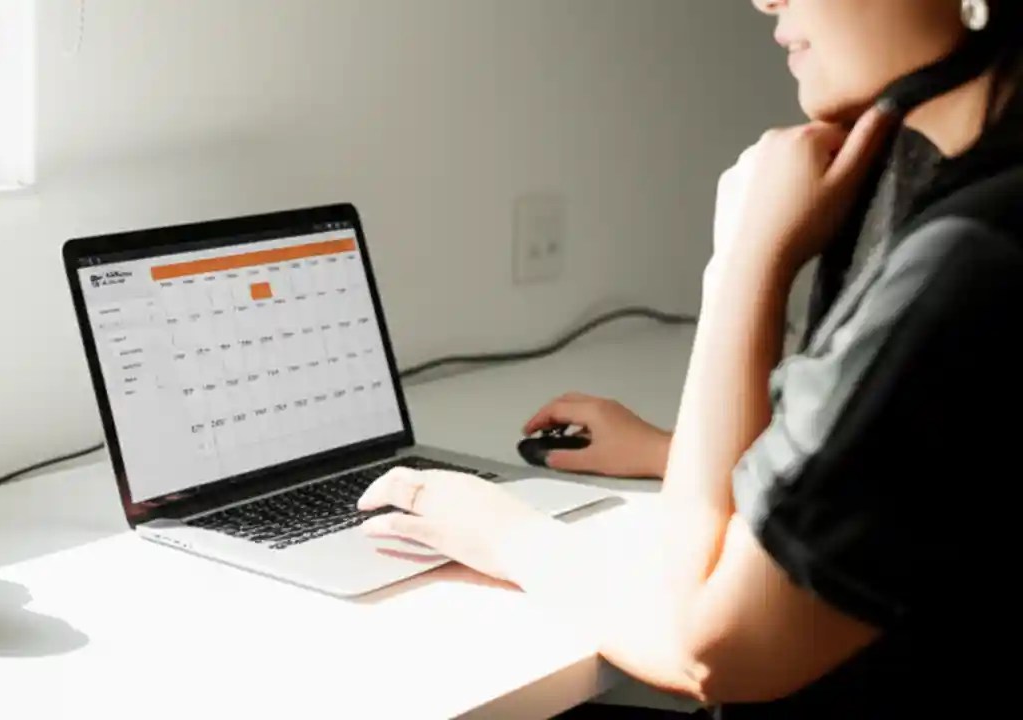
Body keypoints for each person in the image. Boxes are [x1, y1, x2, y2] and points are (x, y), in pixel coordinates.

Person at [357, 1, 1023, 717]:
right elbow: (930, 475)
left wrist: (502, 532)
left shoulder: (967, 262)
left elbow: (704, 644)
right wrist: (671, 451)